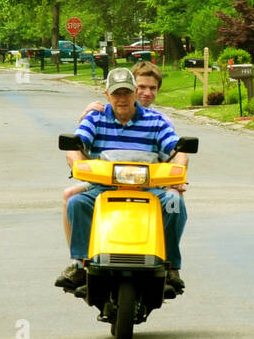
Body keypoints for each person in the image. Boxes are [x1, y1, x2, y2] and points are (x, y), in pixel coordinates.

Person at [55, 67, 188, 297]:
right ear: (107, 95)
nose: (122, 99)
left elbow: (178, 151)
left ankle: (171, 266)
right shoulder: (95, 118)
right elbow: (75, 147)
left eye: (126, 93)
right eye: (117, 94)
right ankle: (80, 264)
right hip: (104, 188)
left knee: (174, 203)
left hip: (149, 189)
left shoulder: (155, 121)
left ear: (134, 93)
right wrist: (78, 165)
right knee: (76, 202)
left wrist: (178, 172)